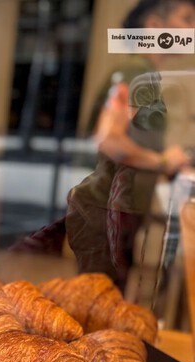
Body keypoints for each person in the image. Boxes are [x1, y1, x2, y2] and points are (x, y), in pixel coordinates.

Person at [13, 0, 194, 292]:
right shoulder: (136, 70)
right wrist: (162, 161)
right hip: (108, 212)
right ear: (155, 26)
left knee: (101, 302)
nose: (192, 29)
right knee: (98, 304)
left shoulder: (142, 73)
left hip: (115, 212)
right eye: (186, 18)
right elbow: (109, 140)